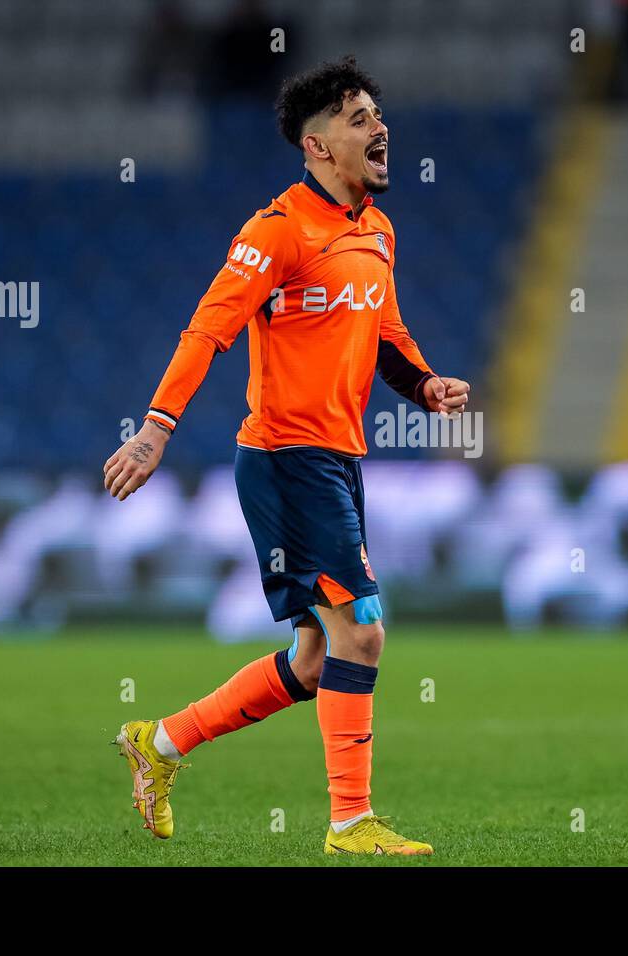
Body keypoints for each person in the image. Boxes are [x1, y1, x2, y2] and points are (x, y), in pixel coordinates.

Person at [102, 57, 470, 856]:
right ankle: (350, 823)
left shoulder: (377, 230)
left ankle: (157, 744)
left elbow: (386, 335)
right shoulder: (277, 231)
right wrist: (157, 426)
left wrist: (426, 384)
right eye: (358, 117)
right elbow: (208, 328)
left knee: (314, 659)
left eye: (377, 112)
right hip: (285, 456)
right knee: (362, 633)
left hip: (338, 457)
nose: (379, 127)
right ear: (316, 147)